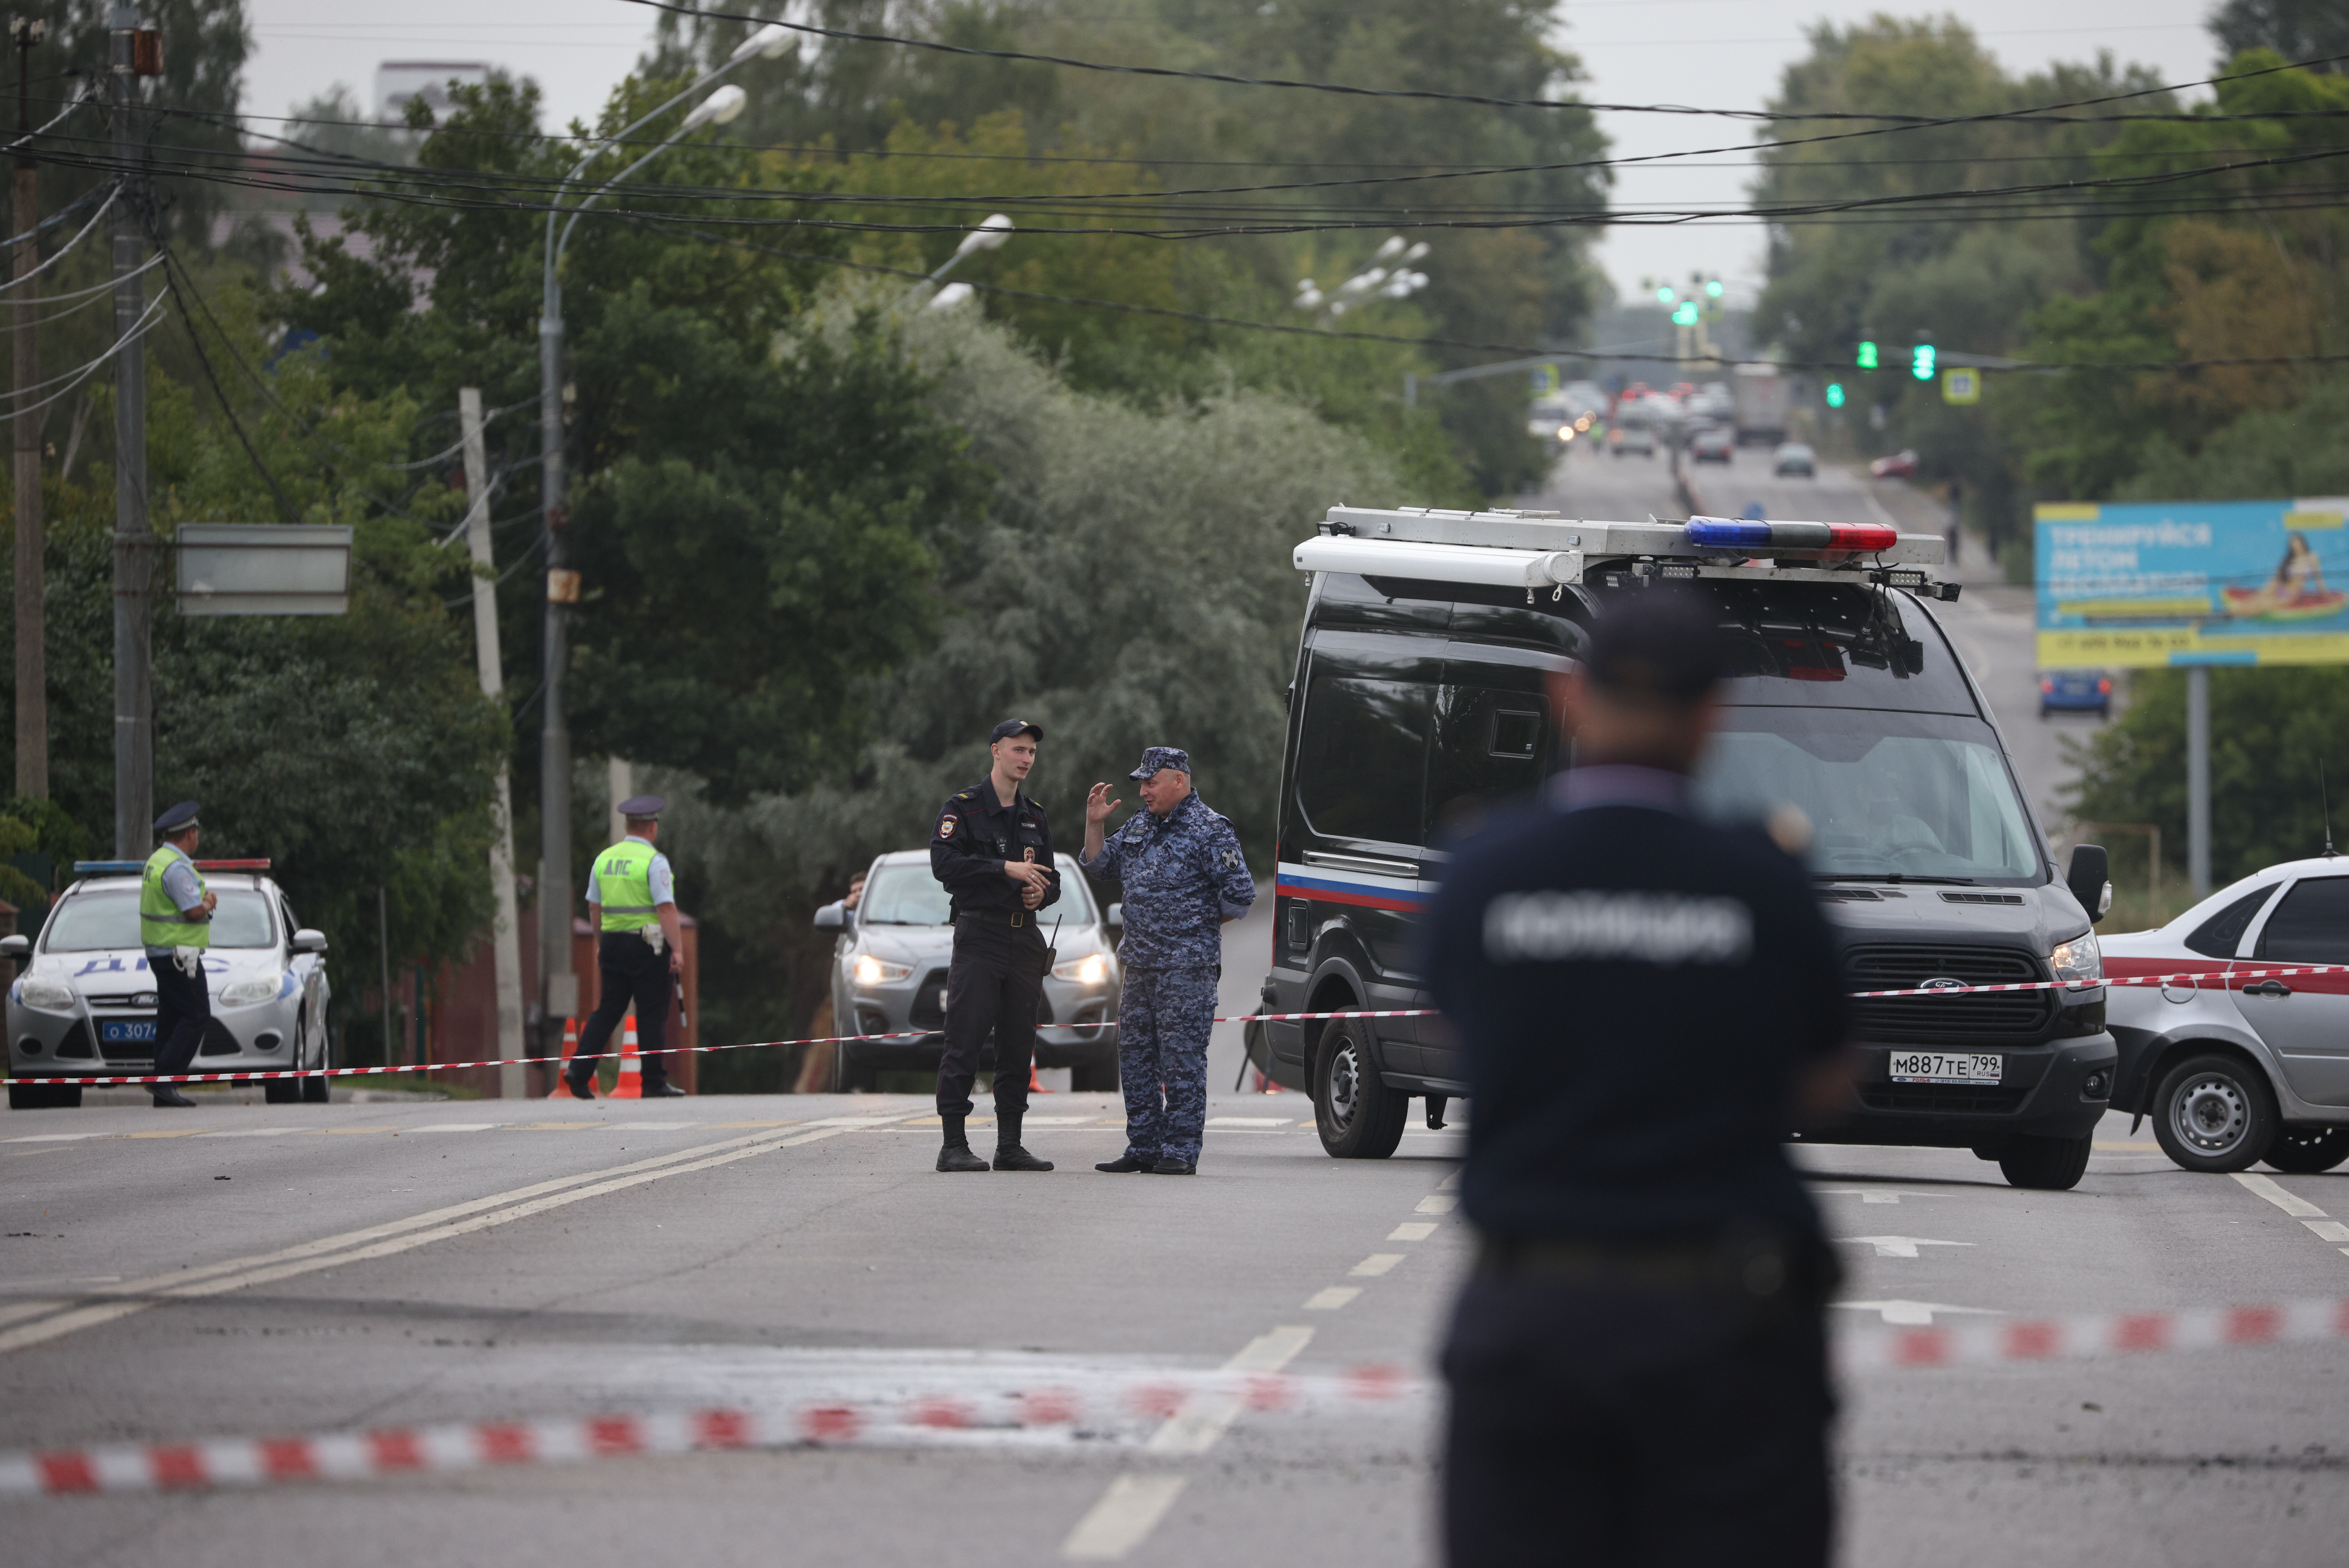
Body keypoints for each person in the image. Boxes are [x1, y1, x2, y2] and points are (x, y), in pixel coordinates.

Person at [1422, 587, 1856, 1568]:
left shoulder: (1484, 872)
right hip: (1722, 1328)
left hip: (1529, 1322)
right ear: (1713, 716)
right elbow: (1824, 1076)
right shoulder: (1762, 881)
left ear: (1567, 698)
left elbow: (1463, 1031)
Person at [1079, 746, 1255, 1176]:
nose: (1142, 790)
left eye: (1150, 782)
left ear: (1178, 780)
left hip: (1186, 968)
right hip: (1139, 965)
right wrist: (1094, 824)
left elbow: (1240, 895)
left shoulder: (1210, 829)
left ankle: (1179, 1150)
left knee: (1182, 1061)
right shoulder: (1140, 824)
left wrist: (1192, 923)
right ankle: (1142, 1146)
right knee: (1136, 1059)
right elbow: (1101, 864)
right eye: (1141, 781)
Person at [928, 720, 1059, 1173]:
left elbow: (1052, 878)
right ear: (996, 751)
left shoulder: (1035, 815)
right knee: (964, 1039)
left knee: (1018, 1042)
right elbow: (944, 864)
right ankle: (953, 1144)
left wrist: (1041, 892)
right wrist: (1006, 869)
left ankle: (1010, 1144)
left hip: (1024, 937)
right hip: (980, 935)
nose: (1026, 758)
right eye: (1018, 750)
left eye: (1032, 752)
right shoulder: (963, 809)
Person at [565, 794, 688, 1099]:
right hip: (648, 946)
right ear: (651, 828)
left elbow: (595, 908)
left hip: (613, 944)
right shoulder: (653, 861)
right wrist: (678, 950)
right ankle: (654, 1083)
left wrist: (601, 942)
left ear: (628, 825)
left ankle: (578, 1072)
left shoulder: (604, 859)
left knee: (608, 1010)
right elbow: (666, 909)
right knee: (650, 1014)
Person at [141, 800, 215, 1109]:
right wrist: (209, 902)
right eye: (196, 831)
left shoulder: (157, 860)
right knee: (197, 1014)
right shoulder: (176, 867)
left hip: (162, 951)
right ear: (189, 833)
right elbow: (193, 909)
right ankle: (164, 1076)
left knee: (171, 1016)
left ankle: (164, 1088)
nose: (198, 836)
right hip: (178, 955)